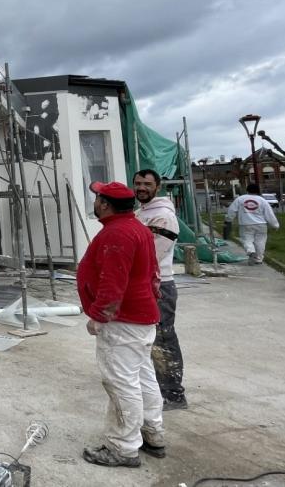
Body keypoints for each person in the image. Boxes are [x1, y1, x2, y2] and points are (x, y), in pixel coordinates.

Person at [78, 181, 165, 468]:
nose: (95, 201)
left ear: (104, 204)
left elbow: (112, 283)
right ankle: (152, 432)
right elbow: (153, 273)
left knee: (120, 383)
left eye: (97, 198)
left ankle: (123, 447)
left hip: (123, 322)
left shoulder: (118, 235)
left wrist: (99, 316)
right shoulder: (137, 228)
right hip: (141, 318)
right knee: (142, 377)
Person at [133, 169, 187, 411]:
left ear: (158, 186)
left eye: (147, 184)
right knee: (147, 339)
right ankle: (156, 387)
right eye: (137, 183)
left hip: (160, 285)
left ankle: (173, 394)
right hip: (143, 285)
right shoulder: (140, 213)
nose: (141, 188)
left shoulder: (163, 217)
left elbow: (152, 255)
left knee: (163, 339)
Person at [223, 183, 280, 265]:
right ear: (258, 190)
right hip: (261, 224)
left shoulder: (240, 199)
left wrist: (228, 219)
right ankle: (258, 259)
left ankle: (250, 251)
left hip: (245, 224)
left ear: (247, 190)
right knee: (260, 241)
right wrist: (275, 225)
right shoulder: (262, 201)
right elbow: (269, 214)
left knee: (246, 239)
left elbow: (232, 210)